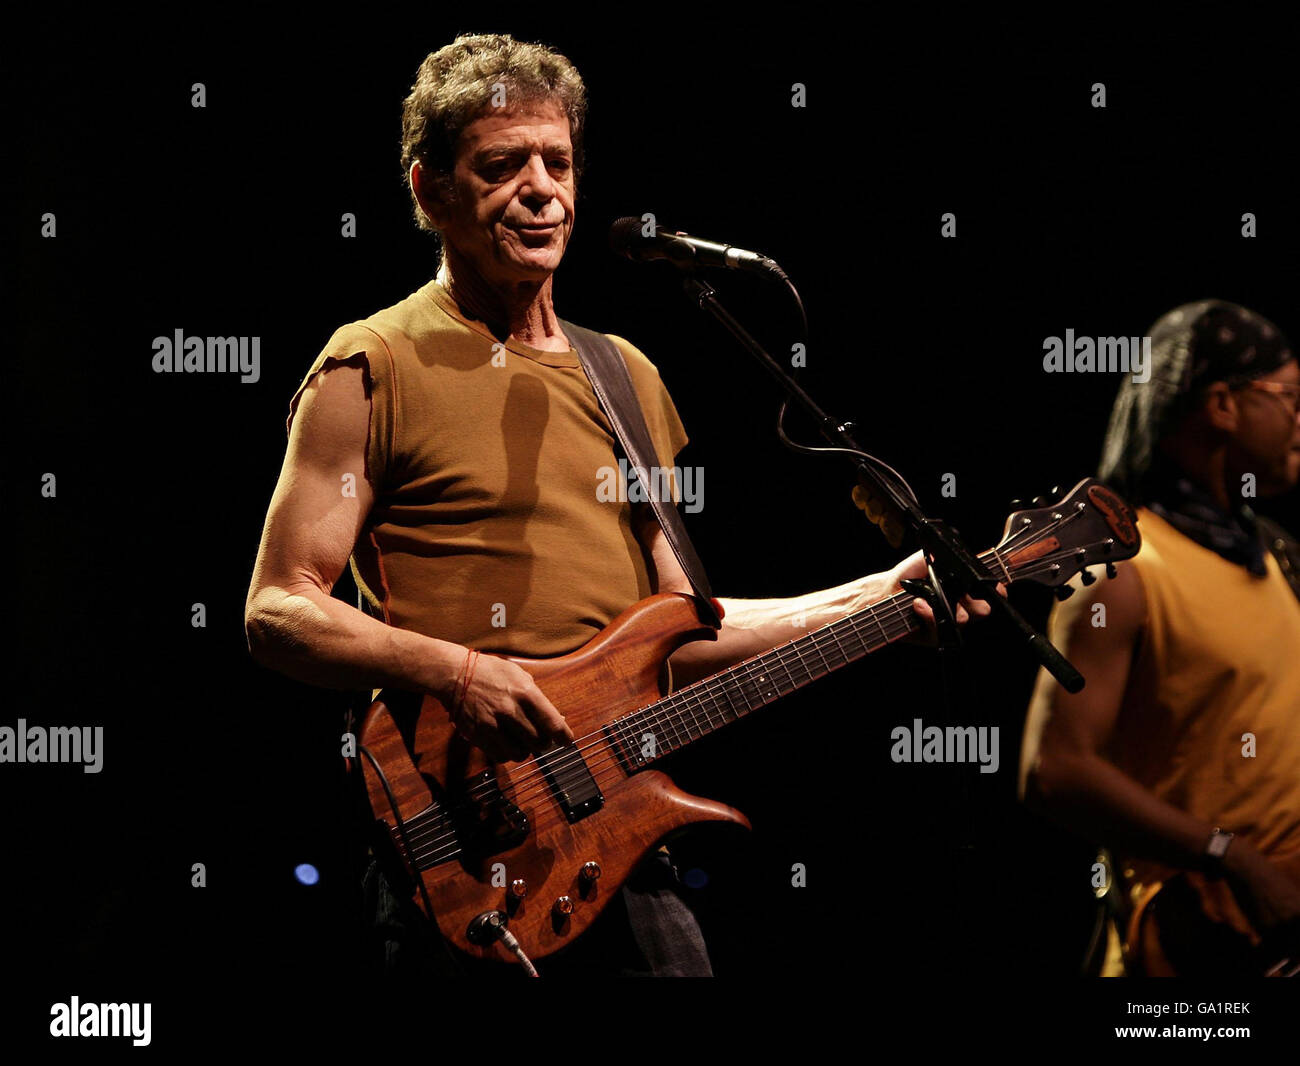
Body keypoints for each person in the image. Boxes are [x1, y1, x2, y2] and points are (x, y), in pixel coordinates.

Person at [244, 32, 987, 978]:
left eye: (557, 161)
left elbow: (683, 636)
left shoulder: (623, 376)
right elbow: (277, 610)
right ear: (430, 191)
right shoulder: (372, 362)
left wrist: (871, 600)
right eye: (503, 165)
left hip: (622, 847)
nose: (541, 188)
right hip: (463, 849)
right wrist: (458, 673)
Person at [1019, 299, 1300, 975]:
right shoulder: (1121, 572)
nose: (1299, 418)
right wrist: (1233, 858)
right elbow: (1055, 770)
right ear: (1223, 406)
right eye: (1290, 396)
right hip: (1200, 942)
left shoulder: (1275, 555)